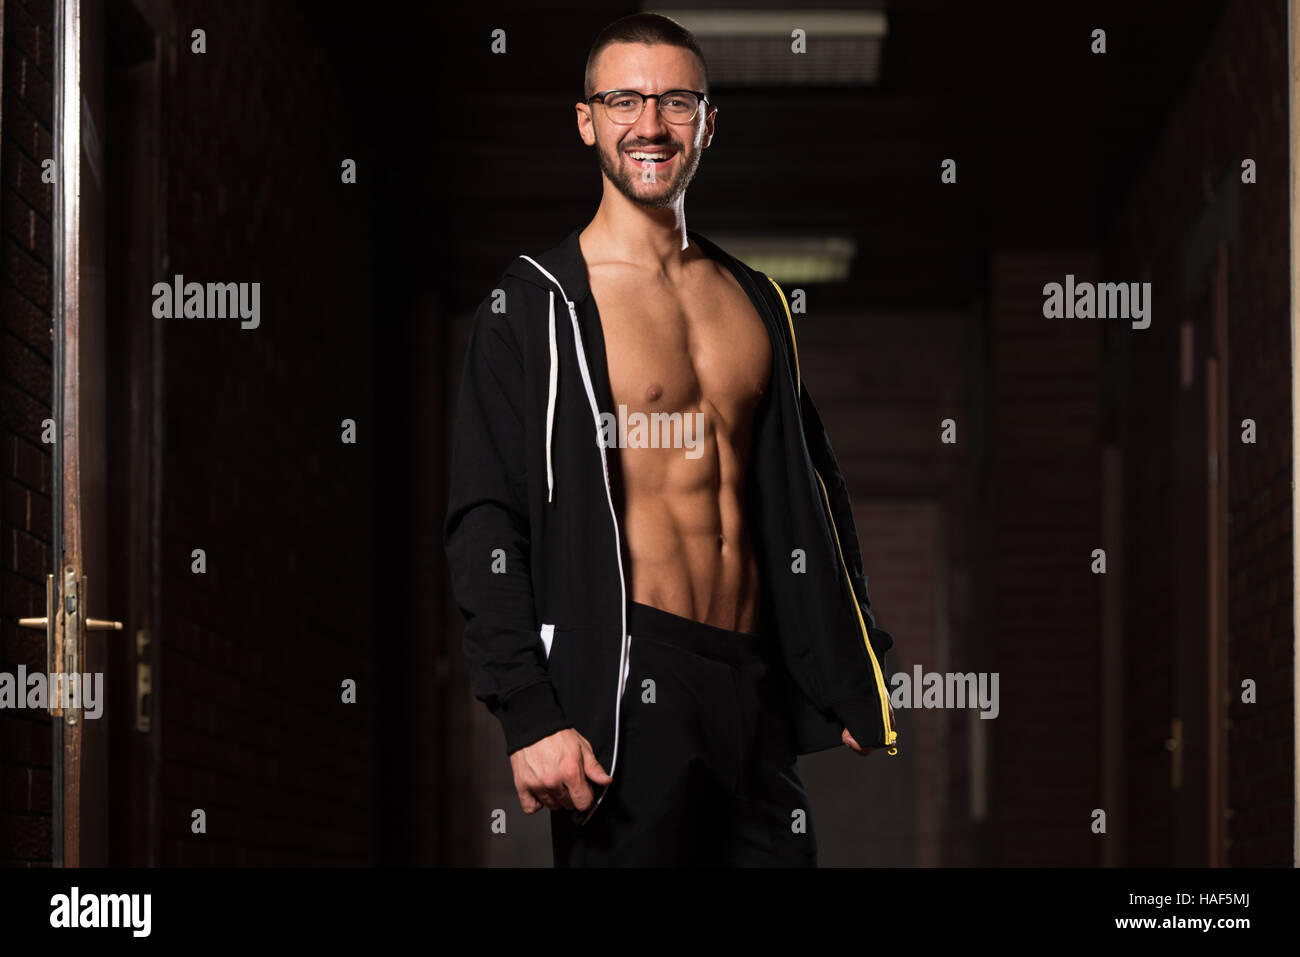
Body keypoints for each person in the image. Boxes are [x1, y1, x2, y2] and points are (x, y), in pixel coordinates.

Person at [443, 12, 897, 867]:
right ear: (587, 121)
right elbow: (484, 520)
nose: (650, 124)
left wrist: (850, 659)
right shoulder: (535, 305)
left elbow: (812, 496)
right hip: (628, 678)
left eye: (676, 101)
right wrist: (529, 713)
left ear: (708, 122)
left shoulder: (755, 299)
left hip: (750, 683)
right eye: (624, 100)